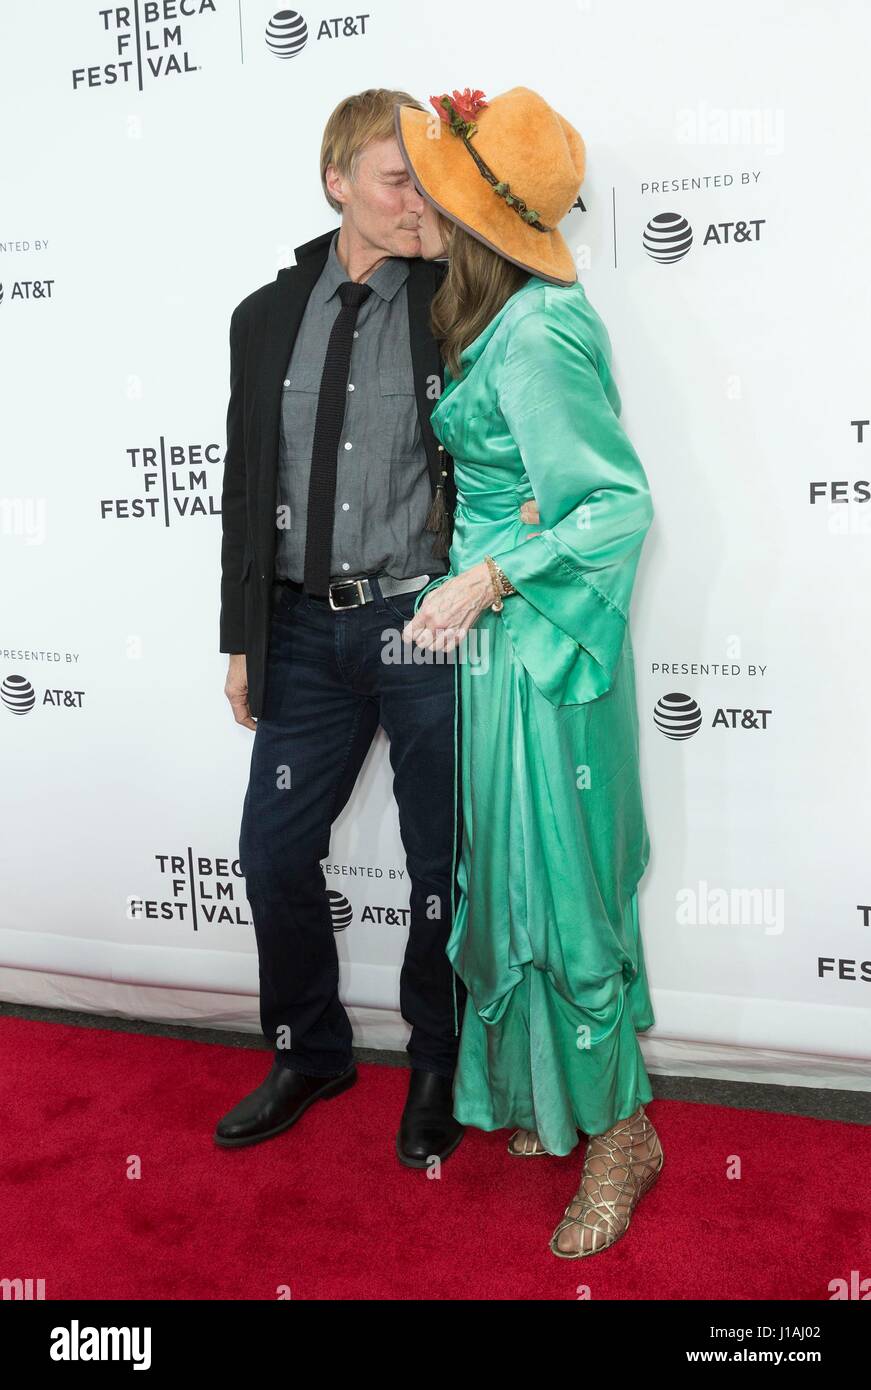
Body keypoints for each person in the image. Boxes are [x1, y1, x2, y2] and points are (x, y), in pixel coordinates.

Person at [214, 88, 532, 1166]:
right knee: (271, 852)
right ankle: (311, 1051)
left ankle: (436, 1058)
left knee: (439, 856)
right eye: (397, 182)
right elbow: (241, 488)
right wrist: (240, 635)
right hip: (302, 632)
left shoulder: (458, 303)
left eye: (427, 183)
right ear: (337, 180)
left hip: (424, 624)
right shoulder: (263, 317)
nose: (415, 203)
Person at [394, 85, 664, 1256]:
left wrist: (490, 580)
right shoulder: (492, 319)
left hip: (549, 655)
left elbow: (616, 504)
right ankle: (560, 1102)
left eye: (441, 194)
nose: (425, 210)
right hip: (498, 655)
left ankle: (625, 1140)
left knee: (565, 891)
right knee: (509, 883)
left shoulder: (543, 327)